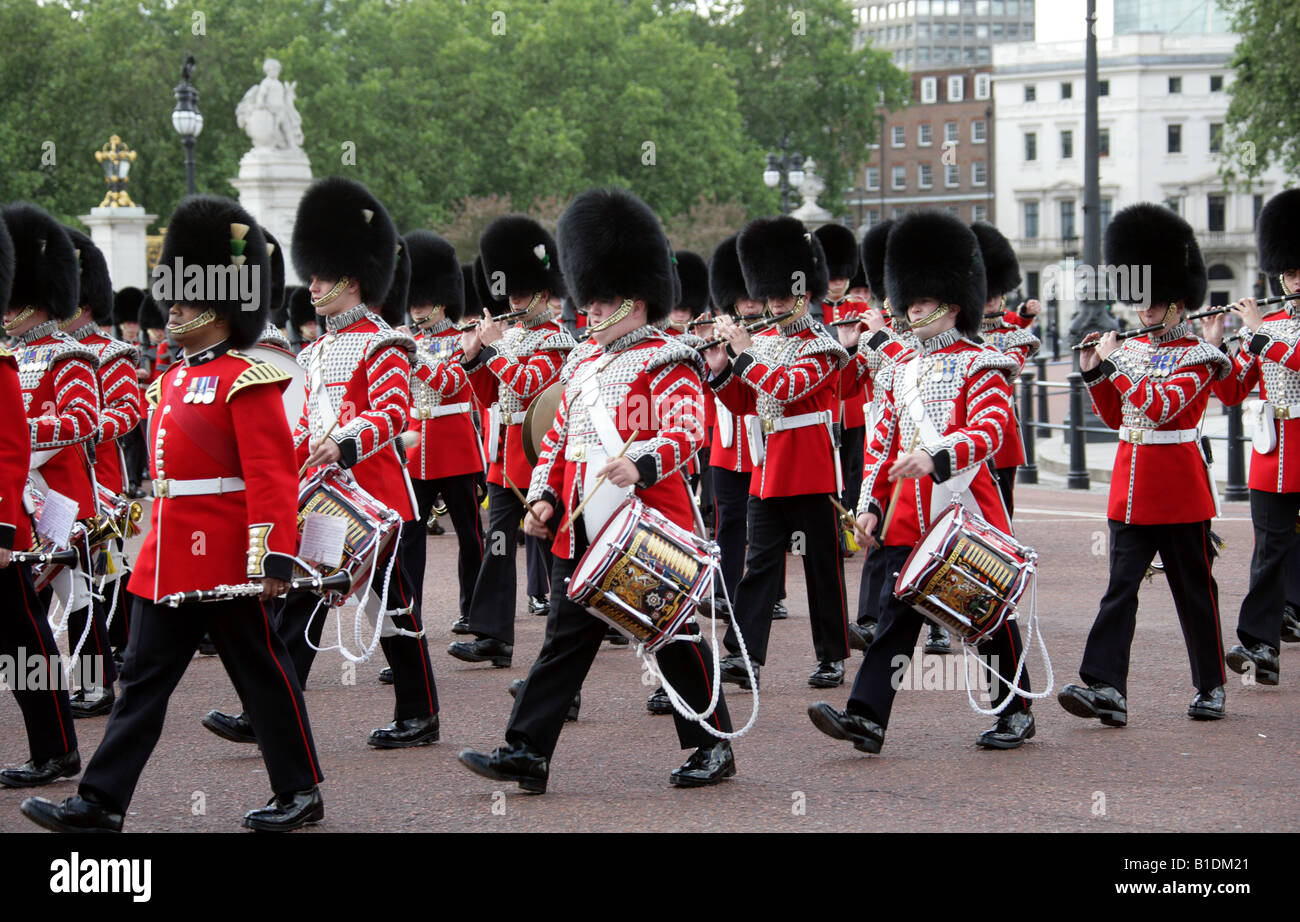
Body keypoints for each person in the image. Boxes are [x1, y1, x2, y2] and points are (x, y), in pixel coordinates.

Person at [20, 195, 325, 832]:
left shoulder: (248, 378)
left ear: (220, 306)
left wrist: (272, 552)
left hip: (223, 556)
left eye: (186, 300)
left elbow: (270, 472)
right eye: (175, 297)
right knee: (141, 680)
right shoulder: (176, 378)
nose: (173, 309)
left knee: (263, 675)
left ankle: (299, 792)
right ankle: (101, 803)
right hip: (169, 556)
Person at [458, 186, 735, 794]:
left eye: (604, 299)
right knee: (564, 640)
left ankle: (712, 746)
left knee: (671, 636)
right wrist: (543, 498)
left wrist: (642, 461)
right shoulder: (582, 362)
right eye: (591, 297)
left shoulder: (670, 359)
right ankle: (527, 750)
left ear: (635, 302)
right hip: (582, 526)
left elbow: (690, 430)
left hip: (647, 519)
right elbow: (558, 442)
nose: (592, 308)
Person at [203, 176, 441, 750]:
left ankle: (419, 712)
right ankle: (269, 709)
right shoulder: (313, 351)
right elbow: (305, 425)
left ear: (351, 280)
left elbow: (390, 414)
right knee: (302, 598)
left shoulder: (385, 343)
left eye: (321, 275)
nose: (310, 285)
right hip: (324, 495)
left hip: (374, 494)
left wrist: (344, 443)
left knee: (392, 609)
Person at [807, 210, 1036, 752]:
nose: (910, 310)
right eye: (907, 300)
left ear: (952, 305)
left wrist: (936, 456)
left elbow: (989, 432)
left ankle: (1016, 708)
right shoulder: (898, 369)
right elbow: (880, 447)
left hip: (963, 508)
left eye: (922, 302)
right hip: (907, 517)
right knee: (894, 615)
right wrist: (868, 506)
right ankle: (867, 716)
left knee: (985, 612)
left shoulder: (984, 364)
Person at [1058, 203, 1228, 725]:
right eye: (1141, 305)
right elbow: (1120, 417)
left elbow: (1160, 407)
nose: (1145, 313)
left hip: (1179, 493)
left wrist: (1116, 365)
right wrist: (1094, 373)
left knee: (1194, 594)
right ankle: (1107, 688)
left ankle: (1212, 685)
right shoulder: (1128, 349)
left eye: (1154, 305)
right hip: (1130, 492)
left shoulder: (1202, 356)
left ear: (1179, 304)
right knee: (1119, 591)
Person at [708, 216, 852, 691]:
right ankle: (744, 654)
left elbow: (787, 389)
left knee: (821, 568)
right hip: (767, 465)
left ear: (805, 295)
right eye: (769, 297)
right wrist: (720, 371)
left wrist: (744, 355)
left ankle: (832, 656)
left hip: (809, 464)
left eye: (782, 297)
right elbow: (745, 401)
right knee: (760, 564)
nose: (773, 305)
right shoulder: (764, 341)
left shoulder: (824, 346)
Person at [450, 216, 575, 667]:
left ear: (542, 295)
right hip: (504, 457)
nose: (512, 300)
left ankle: (588, 615)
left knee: (556, 545)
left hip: (537, 456)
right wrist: (472, 358)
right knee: (498, 542)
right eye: (510, 293)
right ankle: (493, 635)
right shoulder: (514, 335)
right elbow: (489, 394)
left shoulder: (557, 341)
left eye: (521, 294)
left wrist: (495, 350)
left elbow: (526, 383)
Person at [1, 205, 102, 712]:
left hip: (59, 495)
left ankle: (94, 683)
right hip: (19, 492)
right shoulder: (10, 354)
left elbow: (83, 418)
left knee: (76, 593)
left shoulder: (69, 353)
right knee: (32, 599)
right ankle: (47, 688)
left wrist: (21, 436)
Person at [1204, 188, 1300, 687]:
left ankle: (1292, 611)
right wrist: (1217, 347)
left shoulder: (1269, 328)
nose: (1294, 281)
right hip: (1274, 452)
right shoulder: (1271, 324)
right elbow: (1233, 387)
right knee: (1269, 549)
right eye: (1288, 274)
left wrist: (1260, 332)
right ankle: (1261, 644)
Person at [0, 206, 81, 792]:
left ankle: (54, 747)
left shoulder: (46, 355)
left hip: (38, 502)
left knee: (25, 636)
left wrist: (5, 529)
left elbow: (11, 447)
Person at [60, 228, 144, 712]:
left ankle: (103, 674)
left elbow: (127, 409)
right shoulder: (42, 352)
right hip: (50, 486)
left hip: (98, 479)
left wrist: (87, 428)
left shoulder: (109, 352)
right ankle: (121, 656)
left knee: (93, 577)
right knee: (98, 575)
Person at [398, 230, 485, 640]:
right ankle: (407, 620)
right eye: (413, 302)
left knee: (471, 537)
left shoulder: (461, 338)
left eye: (424, 302)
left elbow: (452, 384)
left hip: (454, 446)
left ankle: (476, 612)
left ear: (442, 300)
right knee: (408, 538)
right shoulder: (403, 339)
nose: (417, 310)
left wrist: (415, 358)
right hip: (415, 448)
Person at [970, 222, 1041, 518]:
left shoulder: (1014, 335)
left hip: (1001, 428)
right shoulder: (960, 333)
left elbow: (1007, 371)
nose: (989, 300)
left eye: (994, 294)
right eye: (984, 293)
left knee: (1002, 504)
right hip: (965, 429)